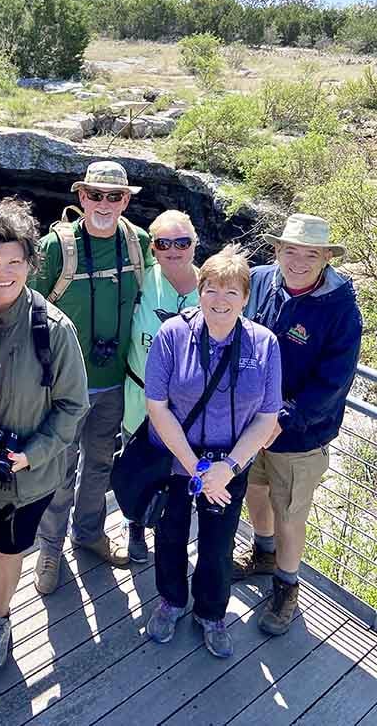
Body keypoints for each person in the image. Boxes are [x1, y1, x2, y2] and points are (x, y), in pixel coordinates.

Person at [0, 197, 89, 675]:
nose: (4, 272)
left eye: (15, 261)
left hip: (22, 473)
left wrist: (30, 454)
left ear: (32, 264)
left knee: (4, 548)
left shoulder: (52, 329)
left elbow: (73, 405)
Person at [144, 245, 282, 658]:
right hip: (177, 457)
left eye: (232, 292)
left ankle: (211, 612)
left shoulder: (263, 343)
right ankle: (171, 600)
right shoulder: (174, 335)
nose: (220, 301)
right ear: (199, 291)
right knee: (169, 535)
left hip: (230, 462)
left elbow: (267, 415)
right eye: (212, 290)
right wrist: (196, 468)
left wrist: (228, 467)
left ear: (245, 298)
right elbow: (157, 407)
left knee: (218, 544)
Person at [233, 213, 363, 635]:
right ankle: (263, 552)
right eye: (291, 250)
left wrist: (282, 420)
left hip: (302, 434)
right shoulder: (260, 281)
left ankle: (287, 586)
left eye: (312, 254)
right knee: (254, 488)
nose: (300, 261)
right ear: (277, 250)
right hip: (251, 423)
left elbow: (334, 381)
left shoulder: (341, 307)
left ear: (327, 257)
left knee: (290, 511)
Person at [31, 160, 150, 594]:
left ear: (126, 200)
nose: (104, 204)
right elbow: (28, 311)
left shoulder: (138, 244)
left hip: (114, 383)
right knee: (59, 471)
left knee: (100, 465)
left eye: (114, 196)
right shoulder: (53, 249)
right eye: (95, 195)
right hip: (63, 389)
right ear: (80, 197)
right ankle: (50, 548)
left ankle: (89, 533)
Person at [123, 210, 200, 563]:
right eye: (163, 243)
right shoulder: (139, 280)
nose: (173, 250)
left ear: (195, 245)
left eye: (182, 242)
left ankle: (170, 534)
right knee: (141, 469)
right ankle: (136, 525)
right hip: (139, 399)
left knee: (178, 474)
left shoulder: (209, 286)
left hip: (189, 408)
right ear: (152, 248)